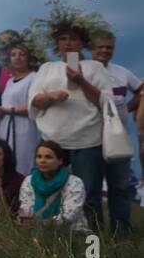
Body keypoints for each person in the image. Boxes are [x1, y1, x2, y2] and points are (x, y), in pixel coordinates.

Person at [28, 17, 117, 231]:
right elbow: (34, 101)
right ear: (57, 43)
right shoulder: (47, 68)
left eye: (73, 39)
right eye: (63, 39)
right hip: (53, 142)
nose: (67, 43)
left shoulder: (95, 67)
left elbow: (106, 103)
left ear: (82, 43)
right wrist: (51, 97)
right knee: (47, 190)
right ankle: (49, 234)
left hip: (87, 141)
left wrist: (81, 81)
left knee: (88, 193)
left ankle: (91, 240)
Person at [91, 33, 140, 221]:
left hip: (119, 139)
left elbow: (139, 91)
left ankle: (121, 234)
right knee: (92, 188)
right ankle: (94, 231)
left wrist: (126, 109)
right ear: (91, 48)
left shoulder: (122, 72)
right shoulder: (83, 70)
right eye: (99, 47)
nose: (104, 50)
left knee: (119, 188)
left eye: (109, 47)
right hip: (91, 139)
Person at [0, 41, 39, 175]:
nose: (17, 57)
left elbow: (34, 106)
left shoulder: (34, 78)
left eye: (22, 54)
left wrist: (6, 110)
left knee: (23, 164)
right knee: (7, 164)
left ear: (28, 58)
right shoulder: (10, 82)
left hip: (25, 129)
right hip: (6, 128)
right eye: (13, 55)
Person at [18, 140, 89, 232]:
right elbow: (26, 209)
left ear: (60, 161)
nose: (42, 161)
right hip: (37, 233)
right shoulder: (29, 181)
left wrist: (43, 223)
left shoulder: (74, 182)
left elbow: (69, 215)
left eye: (48, 157)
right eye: (39, 157)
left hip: (71, 233)